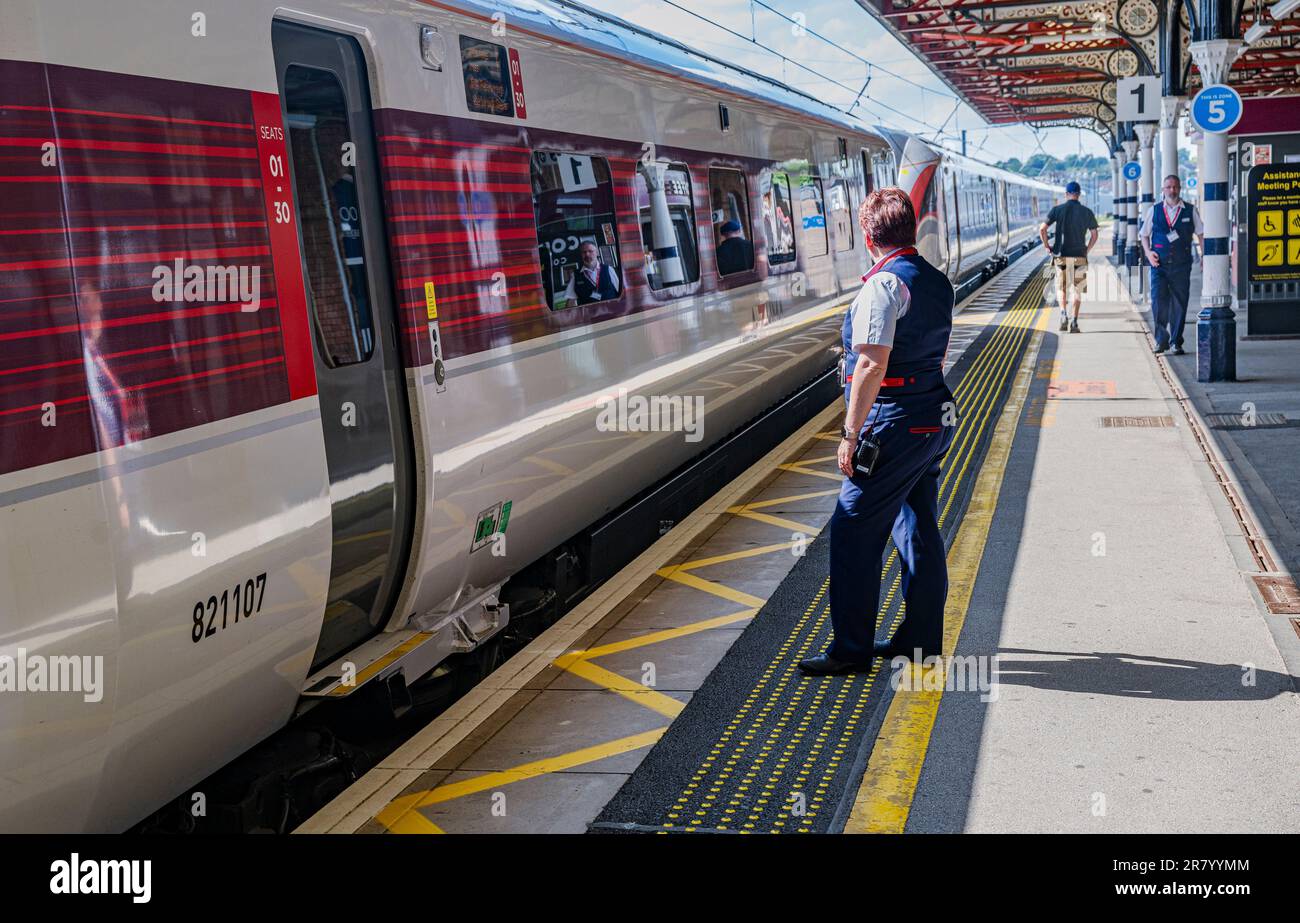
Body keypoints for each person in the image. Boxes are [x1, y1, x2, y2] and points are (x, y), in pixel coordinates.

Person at [799, 188, 958, 676]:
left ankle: (850, 650)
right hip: (934, 411)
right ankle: (920, 641)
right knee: (917, 525)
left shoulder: (883, 285)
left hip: (893, 419)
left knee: (852, 530)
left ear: (868, 236)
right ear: (909, 230)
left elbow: (870, 362)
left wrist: (850, 434)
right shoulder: (936, 281)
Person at [1141, 174, 1204, 355]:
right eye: (1168, 187)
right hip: (1158, 264)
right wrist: (1148, 253)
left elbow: (1200, 234)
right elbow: (1144, 235)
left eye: (1175, 187)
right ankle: (1161, 340)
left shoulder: (1190, 210)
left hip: (1181, 265)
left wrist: (1205, 257)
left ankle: (1176, 341)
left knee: (1179, 303)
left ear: (1180, 188)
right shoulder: (1154, 210)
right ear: (1163, 190)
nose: (1172, 190)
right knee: (1159, 302)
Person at [1039, 180, 1099, 333]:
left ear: (1066, 195)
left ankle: (1063, 314)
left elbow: (1042, 229)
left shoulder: (1057, 210)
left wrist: (1047, 246)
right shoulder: (1087, 212)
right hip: (1079, 255)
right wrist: (1087, 249)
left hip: (1061, 256)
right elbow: (1094, 234)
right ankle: (1074, 322)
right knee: (1077, 290)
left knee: (1062, 288)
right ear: (1078, 195)